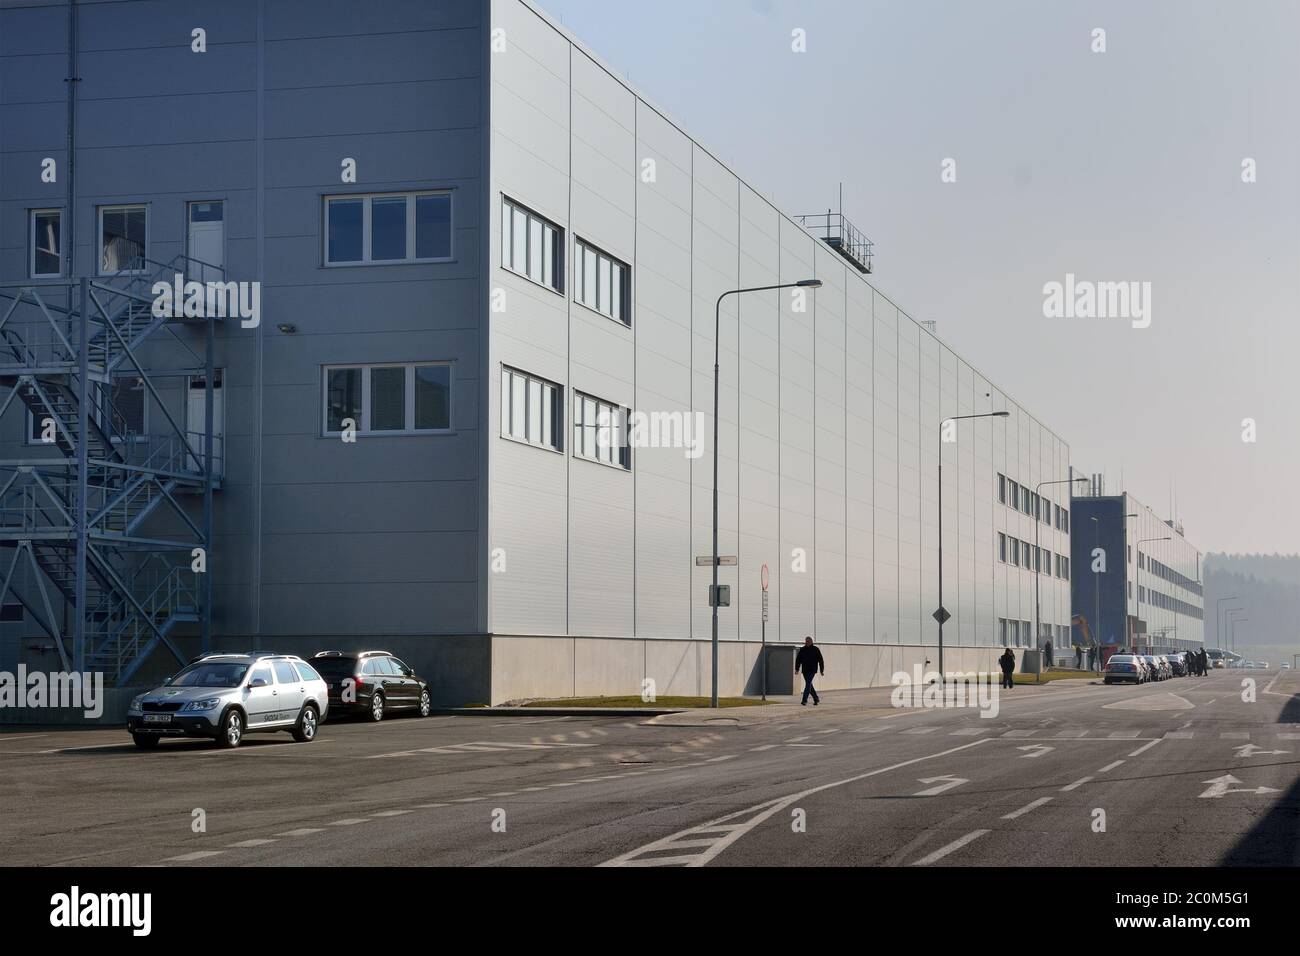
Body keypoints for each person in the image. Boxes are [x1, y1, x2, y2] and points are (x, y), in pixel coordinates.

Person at [794, 636, 824, 706]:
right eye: (806, 641)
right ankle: (816, 698)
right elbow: (798, 660)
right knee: (809, 685)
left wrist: (821, 670)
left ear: (811, 642)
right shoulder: (802, 649)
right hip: (805, 670)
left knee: (808, 685)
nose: (806, 642)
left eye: (808, 641)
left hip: (812, 670)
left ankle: (804, 700)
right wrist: (797, 669)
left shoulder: (816, 649)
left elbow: (821, 660)